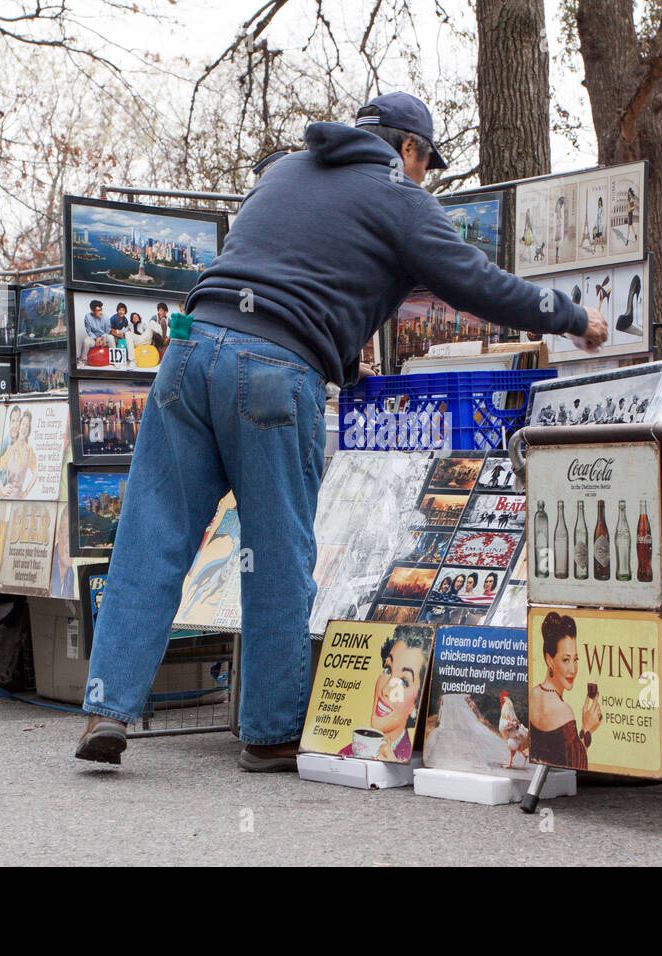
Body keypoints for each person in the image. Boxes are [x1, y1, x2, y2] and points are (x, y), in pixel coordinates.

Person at [76, 91, 606, 770]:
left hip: (186, 354)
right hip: (270, 374)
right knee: (273, 556)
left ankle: (105, 707)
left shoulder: (286, 172)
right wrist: (568, 316)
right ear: (409, 150)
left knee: (150, 535)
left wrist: (339, 345)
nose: (423, 179)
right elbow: (472, 281)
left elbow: (292, 268)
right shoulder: (399, 193)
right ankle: (267, 734)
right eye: (425, 165)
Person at [335, 626, 431, 761]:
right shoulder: (345, 752)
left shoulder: (406, 759)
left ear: (416, 704)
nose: (385, 690)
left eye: (403, 682)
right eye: (387, 669)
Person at [528, 612, 601, 769]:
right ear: (549, 660)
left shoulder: (533, 694)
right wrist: (588, 729)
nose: (573, 669)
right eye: (565, 660)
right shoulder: (563, 711)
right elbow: (576, 765)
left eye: (575, 659)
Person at [0, 410, 37, 499]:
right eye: (23, 424)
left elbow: (35, 474)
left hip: (20, 500)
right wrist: (2, 489)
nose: (24, 428)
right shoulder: (11, 449)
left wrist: (26, 492)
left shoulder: (29, 451)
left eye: (27, 426)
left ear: (29, 430)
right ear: (19, 426)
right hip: (8, 497)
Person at [49, 504, 75, 598]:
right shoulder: (47, 568)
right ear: (59, 534)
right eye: (69, 537)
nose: (72, 548)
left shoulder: (70, 574)